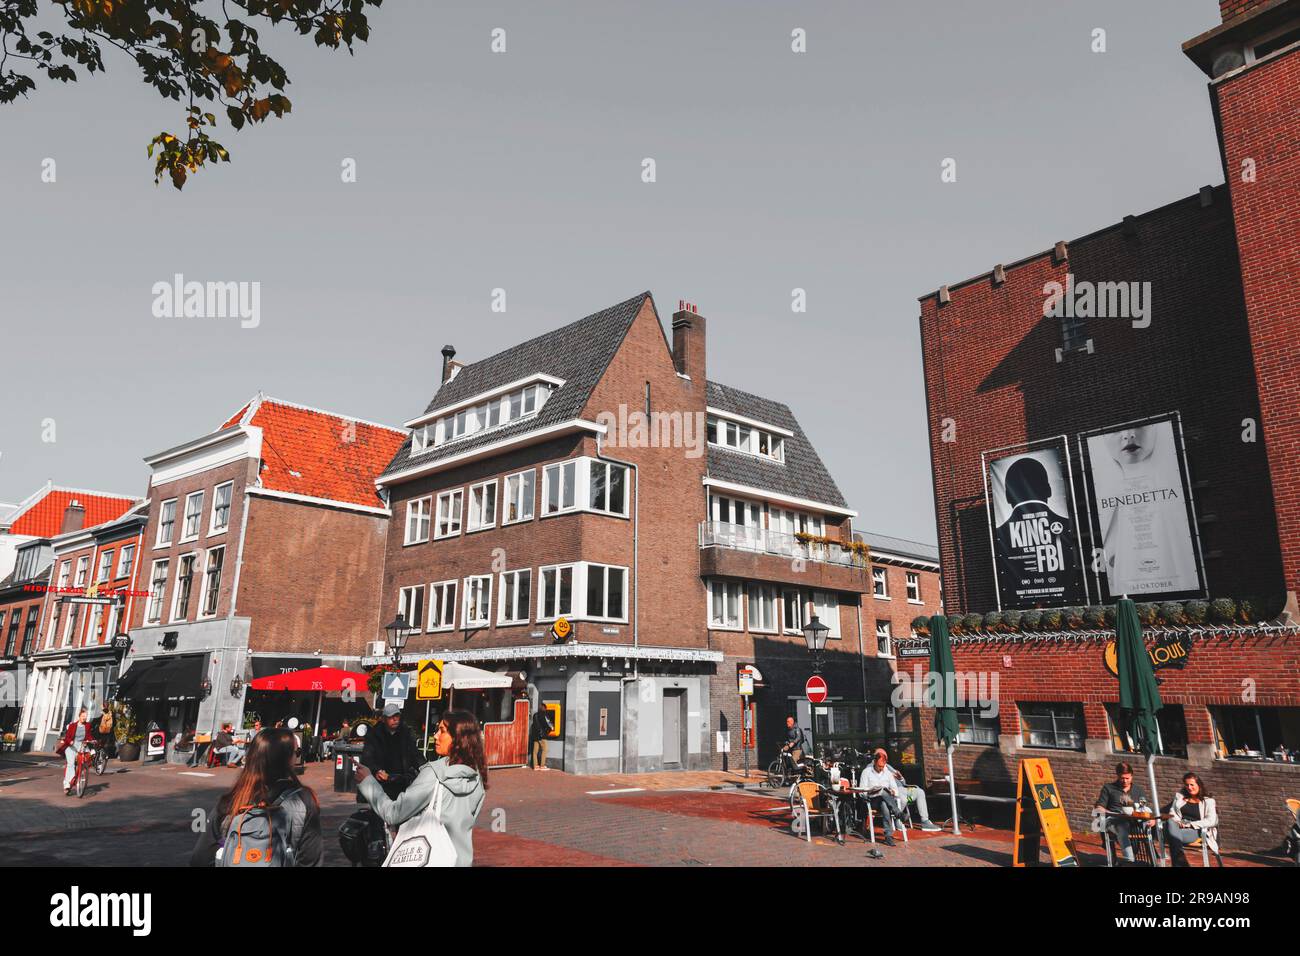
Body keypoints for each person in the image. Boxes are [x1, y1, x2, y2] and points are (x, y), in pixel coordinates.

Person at [355, 710, 487, 867]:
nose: (436, 736)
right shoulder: (477, 777)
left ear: (459, 739)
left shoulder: (433, 774)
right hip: (460, 861)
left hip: (430, 859)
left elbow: (393, 813)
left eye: (442, 731)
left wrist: (368, 782)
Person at [190, 728, 322, 867]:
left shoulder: (232, 799)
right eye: (298, 753)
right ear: (287, 759)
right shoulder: (304, 800)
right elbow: (310, 860)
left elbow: (201, 858)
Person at [359, 702, 423, 802]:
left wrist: (425, 768)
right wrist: (377, 771)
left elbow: (415, 754)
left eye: (397, 716)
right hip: (381, 783)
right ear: (384, 719)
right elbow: (367, 758)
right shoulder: (374, 735)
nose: (395, 719)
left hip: (400, 782)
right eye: (391, 717)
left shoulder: (405, 734)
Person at [1095, 761, 1155, 864]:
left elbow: (1144, 808)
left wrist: (1152, 819)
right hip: (1113, 820)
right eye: (1122, 778)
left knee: (1151, 825)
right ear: (1117, 776)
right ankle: (1130, 861)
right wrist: (1112, 813)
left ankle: (1153, 859)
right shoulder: (1108, 788)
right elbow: (1099, 807)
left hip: (1133, 821)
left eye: (1128, 778)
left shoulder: (1138, 790)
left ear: (1132, 776)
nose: (1125, 781)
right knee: (1121, 825)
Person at [1166, 772, 1218, 867]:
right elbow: (1172, 814)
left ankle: (1180, 864)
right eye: (1187, 785)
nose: (1189, 787)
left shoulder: (1208, 801)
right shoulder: (1180, 798)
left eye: (1192, 784)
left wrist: (1189, 824)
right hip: (1178, 827)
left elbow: (1211, 820)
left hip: (1196, 831)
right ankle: (1181, 864)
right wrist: (1178, 822)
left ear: (1199, 785)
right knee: (1170, 822)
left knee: (1172, 837)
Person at [56, 707, 97, 795]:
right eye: (83, 716)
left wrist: (92, 740)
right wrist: (70, 741)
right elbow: (67, 737)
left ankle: (82, 773)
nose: (84, 718)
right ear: (79, 716)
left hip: (82, 745)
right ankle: (67, 784)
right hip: (71, 746)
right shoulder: (72, 725)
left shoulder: (88, 725)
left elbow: (89, 736)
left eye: (85, 716)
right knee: (70, 764)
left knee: (86, 759)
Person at [529, 705, 553, 771]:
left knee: (535, 752)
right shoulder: (543, 715)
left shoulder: (535, 715)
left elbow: (535, 725)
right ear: (544, 708)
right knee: (545, 750)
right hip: (542, 736)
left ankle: (535, 766)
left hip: (535, 736)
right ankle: (542, 766)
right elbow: (546, 724)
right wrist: (550, 729)